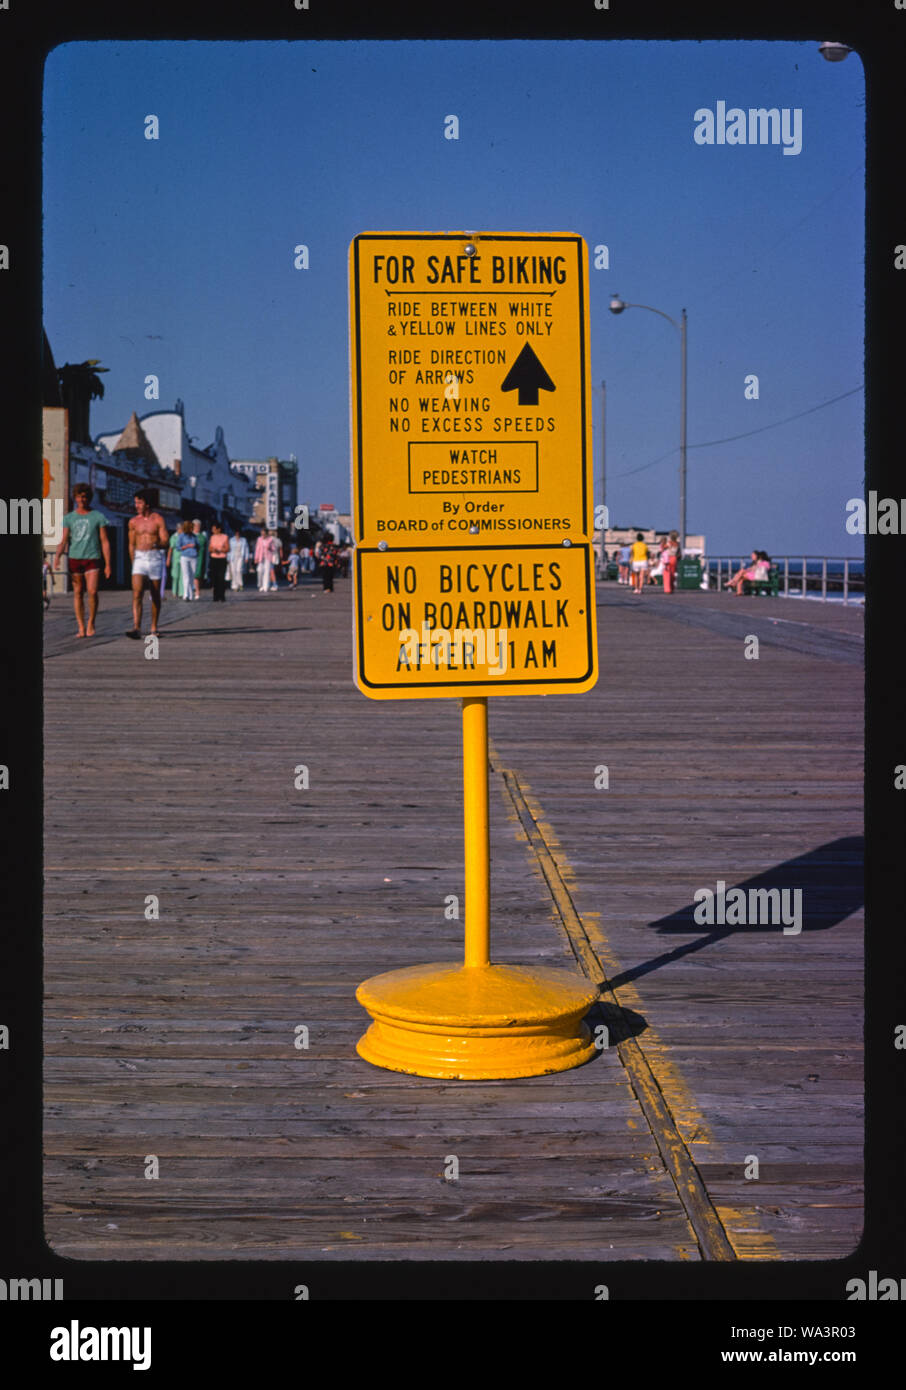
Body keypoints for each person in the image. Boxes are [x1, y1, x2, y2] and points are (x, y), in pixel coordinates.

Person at [54, 483, 112, 637]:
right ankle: (81, 626)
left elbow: (104, 541)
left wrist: (108, 564)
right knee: (78, 592)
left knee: (92, 591)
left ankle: (91, 622)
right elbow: (64, 539)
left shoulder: (98, 516)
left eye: (85, 497)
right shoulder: (69, 518)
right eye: (79, 497)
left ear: (89, 498)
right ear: (75, 497)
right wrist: (57, 557)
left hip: (92, 557)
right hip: (75, 558)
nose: (82, 500)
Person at [127, 489, 169, 638]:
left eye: (139, 502)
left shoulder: (158, 519)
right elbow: (131, 544)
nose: (136, 505)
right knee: (137, 592)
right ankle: (136, 627)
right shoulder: (133, 522)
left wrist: (158, 543)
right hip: (139, 558)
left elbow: (166, 541)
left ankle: (154, 627)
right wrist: (133, 561)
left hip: (154, 557)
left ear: (147, 503)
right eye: (136, 502)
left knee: (155, 594)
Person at [176, 520, 199, 601]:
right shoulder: (181, 536)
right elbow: (178, 547)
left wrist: (196, 550)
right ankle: (186, 595)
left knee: (192, 576)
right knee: (186, 576)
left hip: (194, 557)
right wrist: (187, 546)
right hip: (185, 557)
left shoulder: (194, 536)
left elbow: (198, 546)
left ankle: (190, 594)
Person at [208, 522, 230, 602]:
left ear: (219, 529)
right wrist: (213, 550)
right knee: (214, 577)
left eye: (214, 529)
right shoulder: (212, 537)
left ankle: (222, 595)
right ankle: (215, 595)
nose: (213, 530)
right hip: (214, 558)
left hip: (221, 559)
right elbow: (209, 548)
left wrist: (220, 550)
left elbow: (228, 548)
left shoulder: (225, 537)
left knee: (221, 577)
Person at [255, 527, 275, 592]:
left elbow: (273, 549)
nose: (263, 535)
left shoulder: (270, 539)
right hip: (260, 557)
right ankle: (260, 585)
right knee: (259, 571)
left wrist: (269, 548)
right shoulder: (259, 539)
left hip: (268, 557)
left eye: (264, 533)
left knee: (266, 572)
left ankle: (266, 586)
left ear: (266, 533)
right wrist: (256, 558)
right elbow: (257, 549)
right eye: (262, 533)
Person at [662, 530, 681, 595]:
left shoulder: (669, 543)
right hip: (674, 559)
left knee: (667, 574)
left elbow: (663, 548)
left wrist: (663, 542)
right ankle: (672, 587)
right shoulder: (678, 544)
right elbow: (679, 553)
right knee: (672, 574)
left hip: (668, 558)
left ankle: (668, 589)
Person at [192, 519, 207, 599]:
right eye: (196, 526)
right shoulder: (191, 535)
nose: (198, 527)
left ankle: (197, 589)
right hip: (192, 556)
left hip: (201, 557)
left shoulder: (202, 536)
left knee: (199, 574)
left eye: (199, 526)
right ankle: (196, 591)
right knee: (195, 574)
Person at [167, 526, 184, 599]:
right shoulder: (173, 537)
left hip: (183, 557)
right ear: (177, 529)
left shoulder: (184, 536)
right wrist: (168, 558)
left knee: (182, 576)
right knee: (175, 575)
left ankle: (181, 592)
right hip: (175, 558)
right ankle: (174, 591)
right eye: (180, 529)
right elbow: (170, 548)